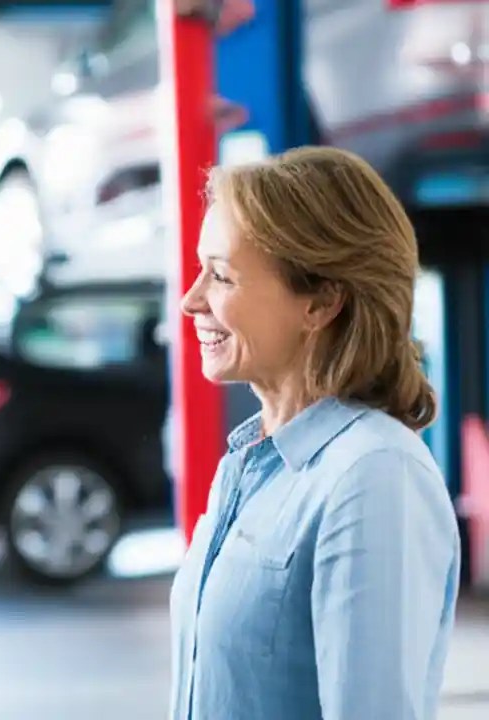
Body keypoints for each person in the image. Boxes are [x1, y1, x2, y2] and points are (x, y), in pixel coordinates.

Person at [169, 146, 462, 720]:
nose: (191, 299)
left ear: (322, 301)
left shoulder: (374, 475)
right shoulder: (248, 467)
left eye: (222, 275)